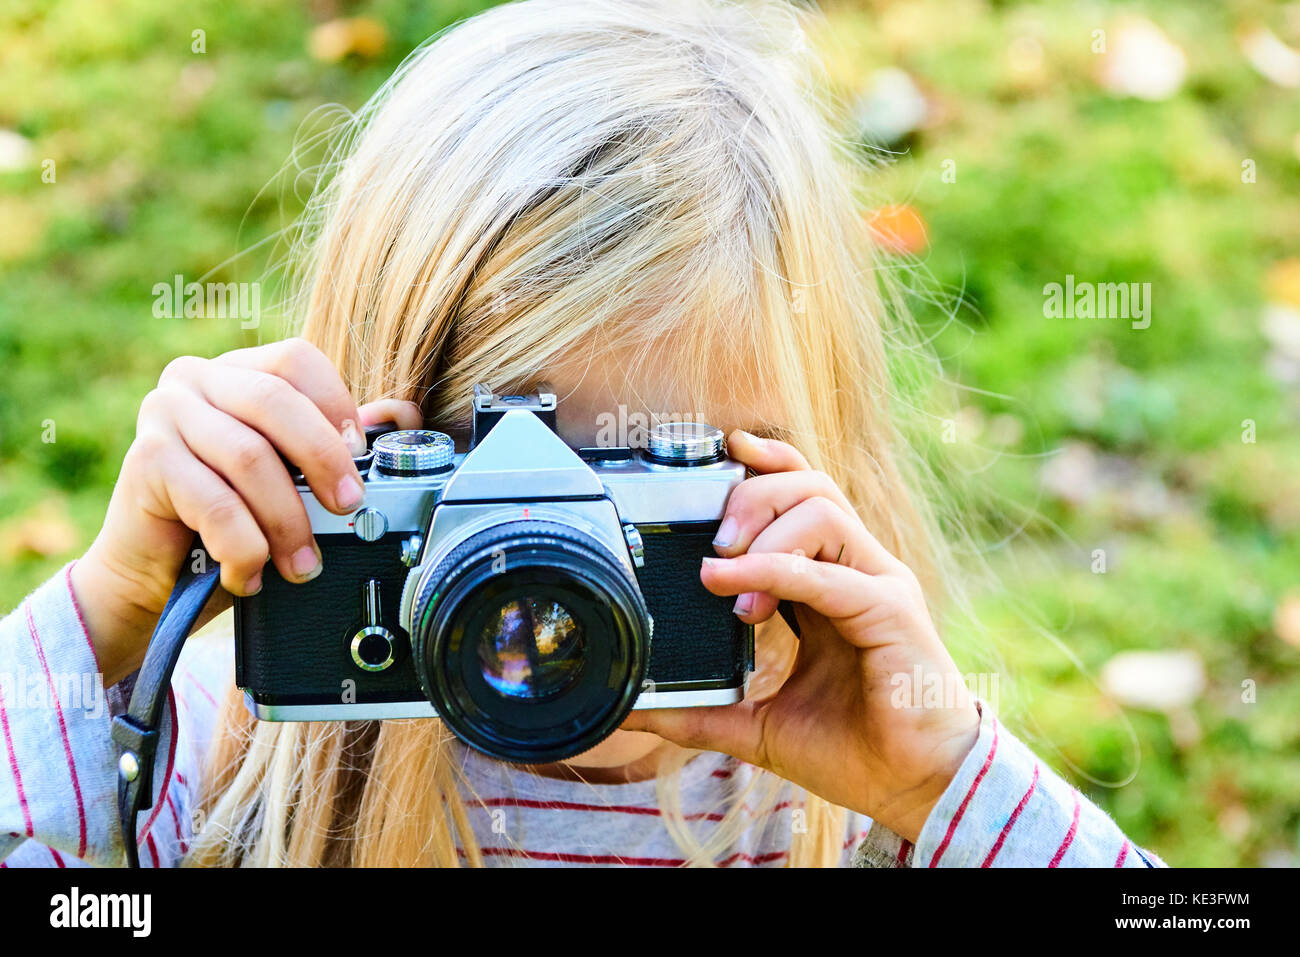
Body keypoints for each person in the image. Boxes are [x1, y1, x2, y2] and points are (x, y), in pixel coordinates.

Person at [0, 0, 1162, 867]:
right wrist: (111, 630)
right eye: (488, 491)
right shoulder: (226, 757)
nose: (546, 610)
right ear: (359, 463)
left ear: (812, 462)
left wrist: (939, 779)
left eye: (665, 481)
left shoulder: (847, 808)